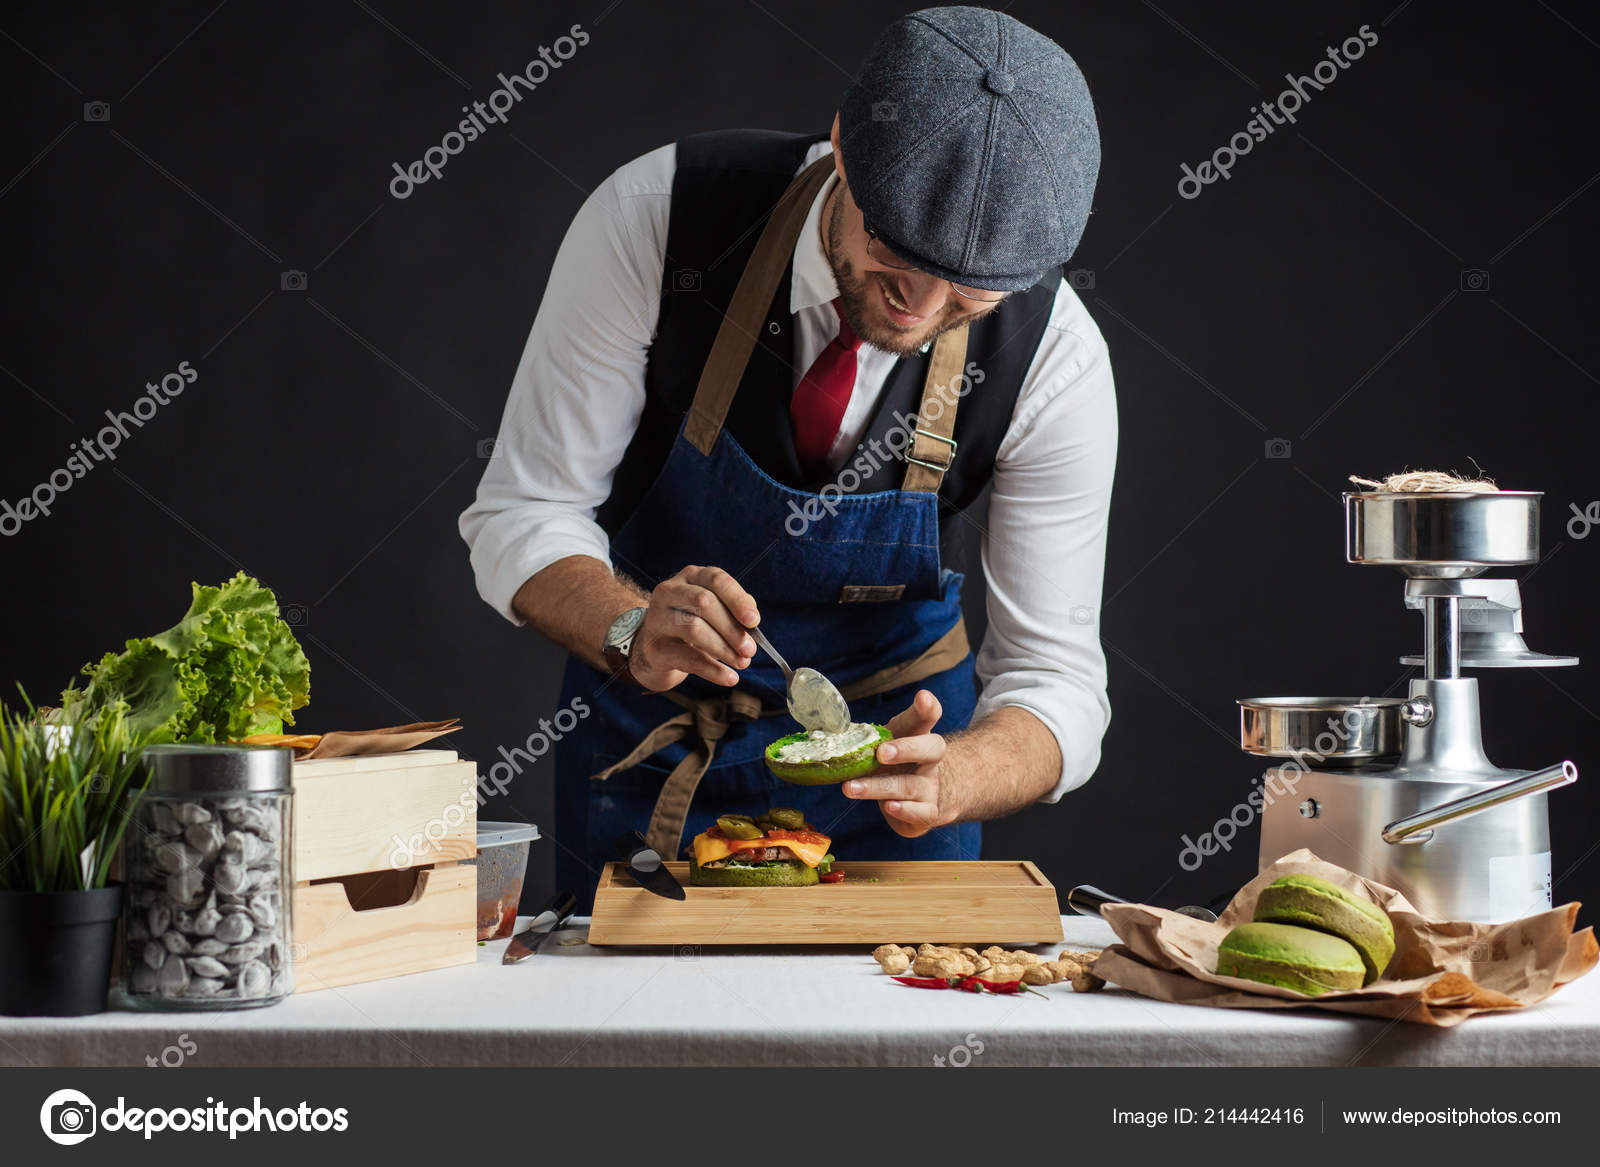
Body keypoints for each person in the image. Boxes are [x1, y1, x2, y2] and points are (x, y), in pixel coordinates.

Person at [461, 6, 1116, 904]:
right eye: (894, 257)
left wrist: (959, 774)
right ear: (842, 148)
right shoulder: (661, 220)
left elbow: (1059, 678)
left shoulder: (1056, 355)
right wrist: (630, 627)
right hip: (651, 737)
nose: (918, 312)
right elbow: (523, 513)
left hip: (893, 794)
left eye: (968, 296)